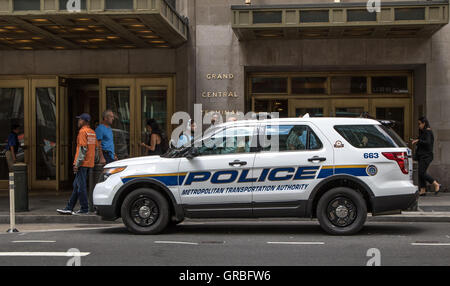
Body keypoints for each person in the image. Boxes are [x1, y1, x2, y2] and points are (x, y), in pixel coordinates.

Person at [57, 113, 97, 215]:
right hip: (89, 163)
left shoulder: (82, 132)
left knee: (81, 186)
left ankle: (84, 208)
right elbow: (95, 148)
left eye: (80, 120)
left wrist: (77, 164)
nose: (78, 121)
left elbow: (82, 149)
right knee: (77, 185)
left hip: (82, 163)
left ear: (84, 121)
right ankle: (69, 207)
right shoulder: (92, 132)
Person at [412, 116, 441, 196]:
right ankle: (423, 189)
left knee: (421, 172)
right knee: (421, 172)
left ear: (424, 123)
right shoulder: (423, 132)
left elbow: (427, 143)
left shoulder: (428, 132)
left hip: (427, 156)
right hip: (422, 156)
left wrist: (418, 140)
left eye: (420, 124)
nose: (419, 125)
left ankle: (436, 184)